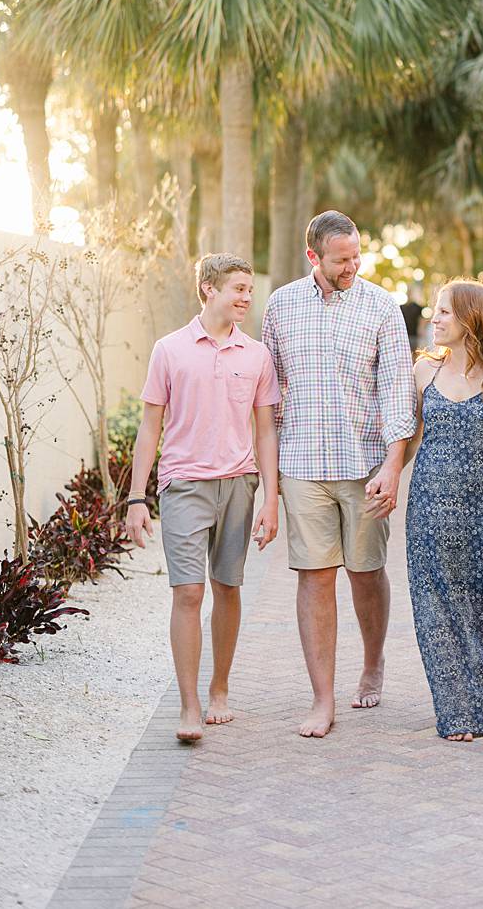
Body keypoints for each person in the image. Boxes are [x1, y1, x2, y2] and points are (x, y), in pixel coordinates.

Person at [260, 210, 415, 738]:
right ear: (314, 258)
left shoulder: (381, 307)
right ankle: (322, 698)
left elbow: (398, 389)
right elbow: (272, 392)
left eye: (356, 257)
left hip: (365, 464)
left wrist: (394, 465)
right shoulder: (280, 305)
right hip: (302, 465)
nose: (352, 267)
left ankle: (372, 663)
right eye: (341, 259)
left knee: (366, 571)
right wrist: (270, 475)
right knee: (315, 576)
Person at [125, 252, 279, 743]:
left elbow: (266, 432)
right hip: (183, 484)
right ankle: (189, 705)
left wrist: (271, 499)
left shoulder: (256, 355)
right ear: (208, 289)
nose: (245, 298)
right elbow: (150, 426)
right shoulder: (168, 350)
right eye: (237, 288)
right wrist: (136, 498)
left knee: (228, 587)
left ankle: (219, 690)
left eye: (249, 290)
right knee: (189, 591)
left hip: (239, 484)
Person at [402, 281, 483, 741]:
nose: (434, 320)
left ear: (471, 319)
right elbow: (412, 440)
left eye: (443, 313)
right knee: (435, 606)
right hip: (430, 507)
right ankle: (456, 710)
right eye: (435, 312)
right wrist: (384, 476)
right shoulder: (423, 373)